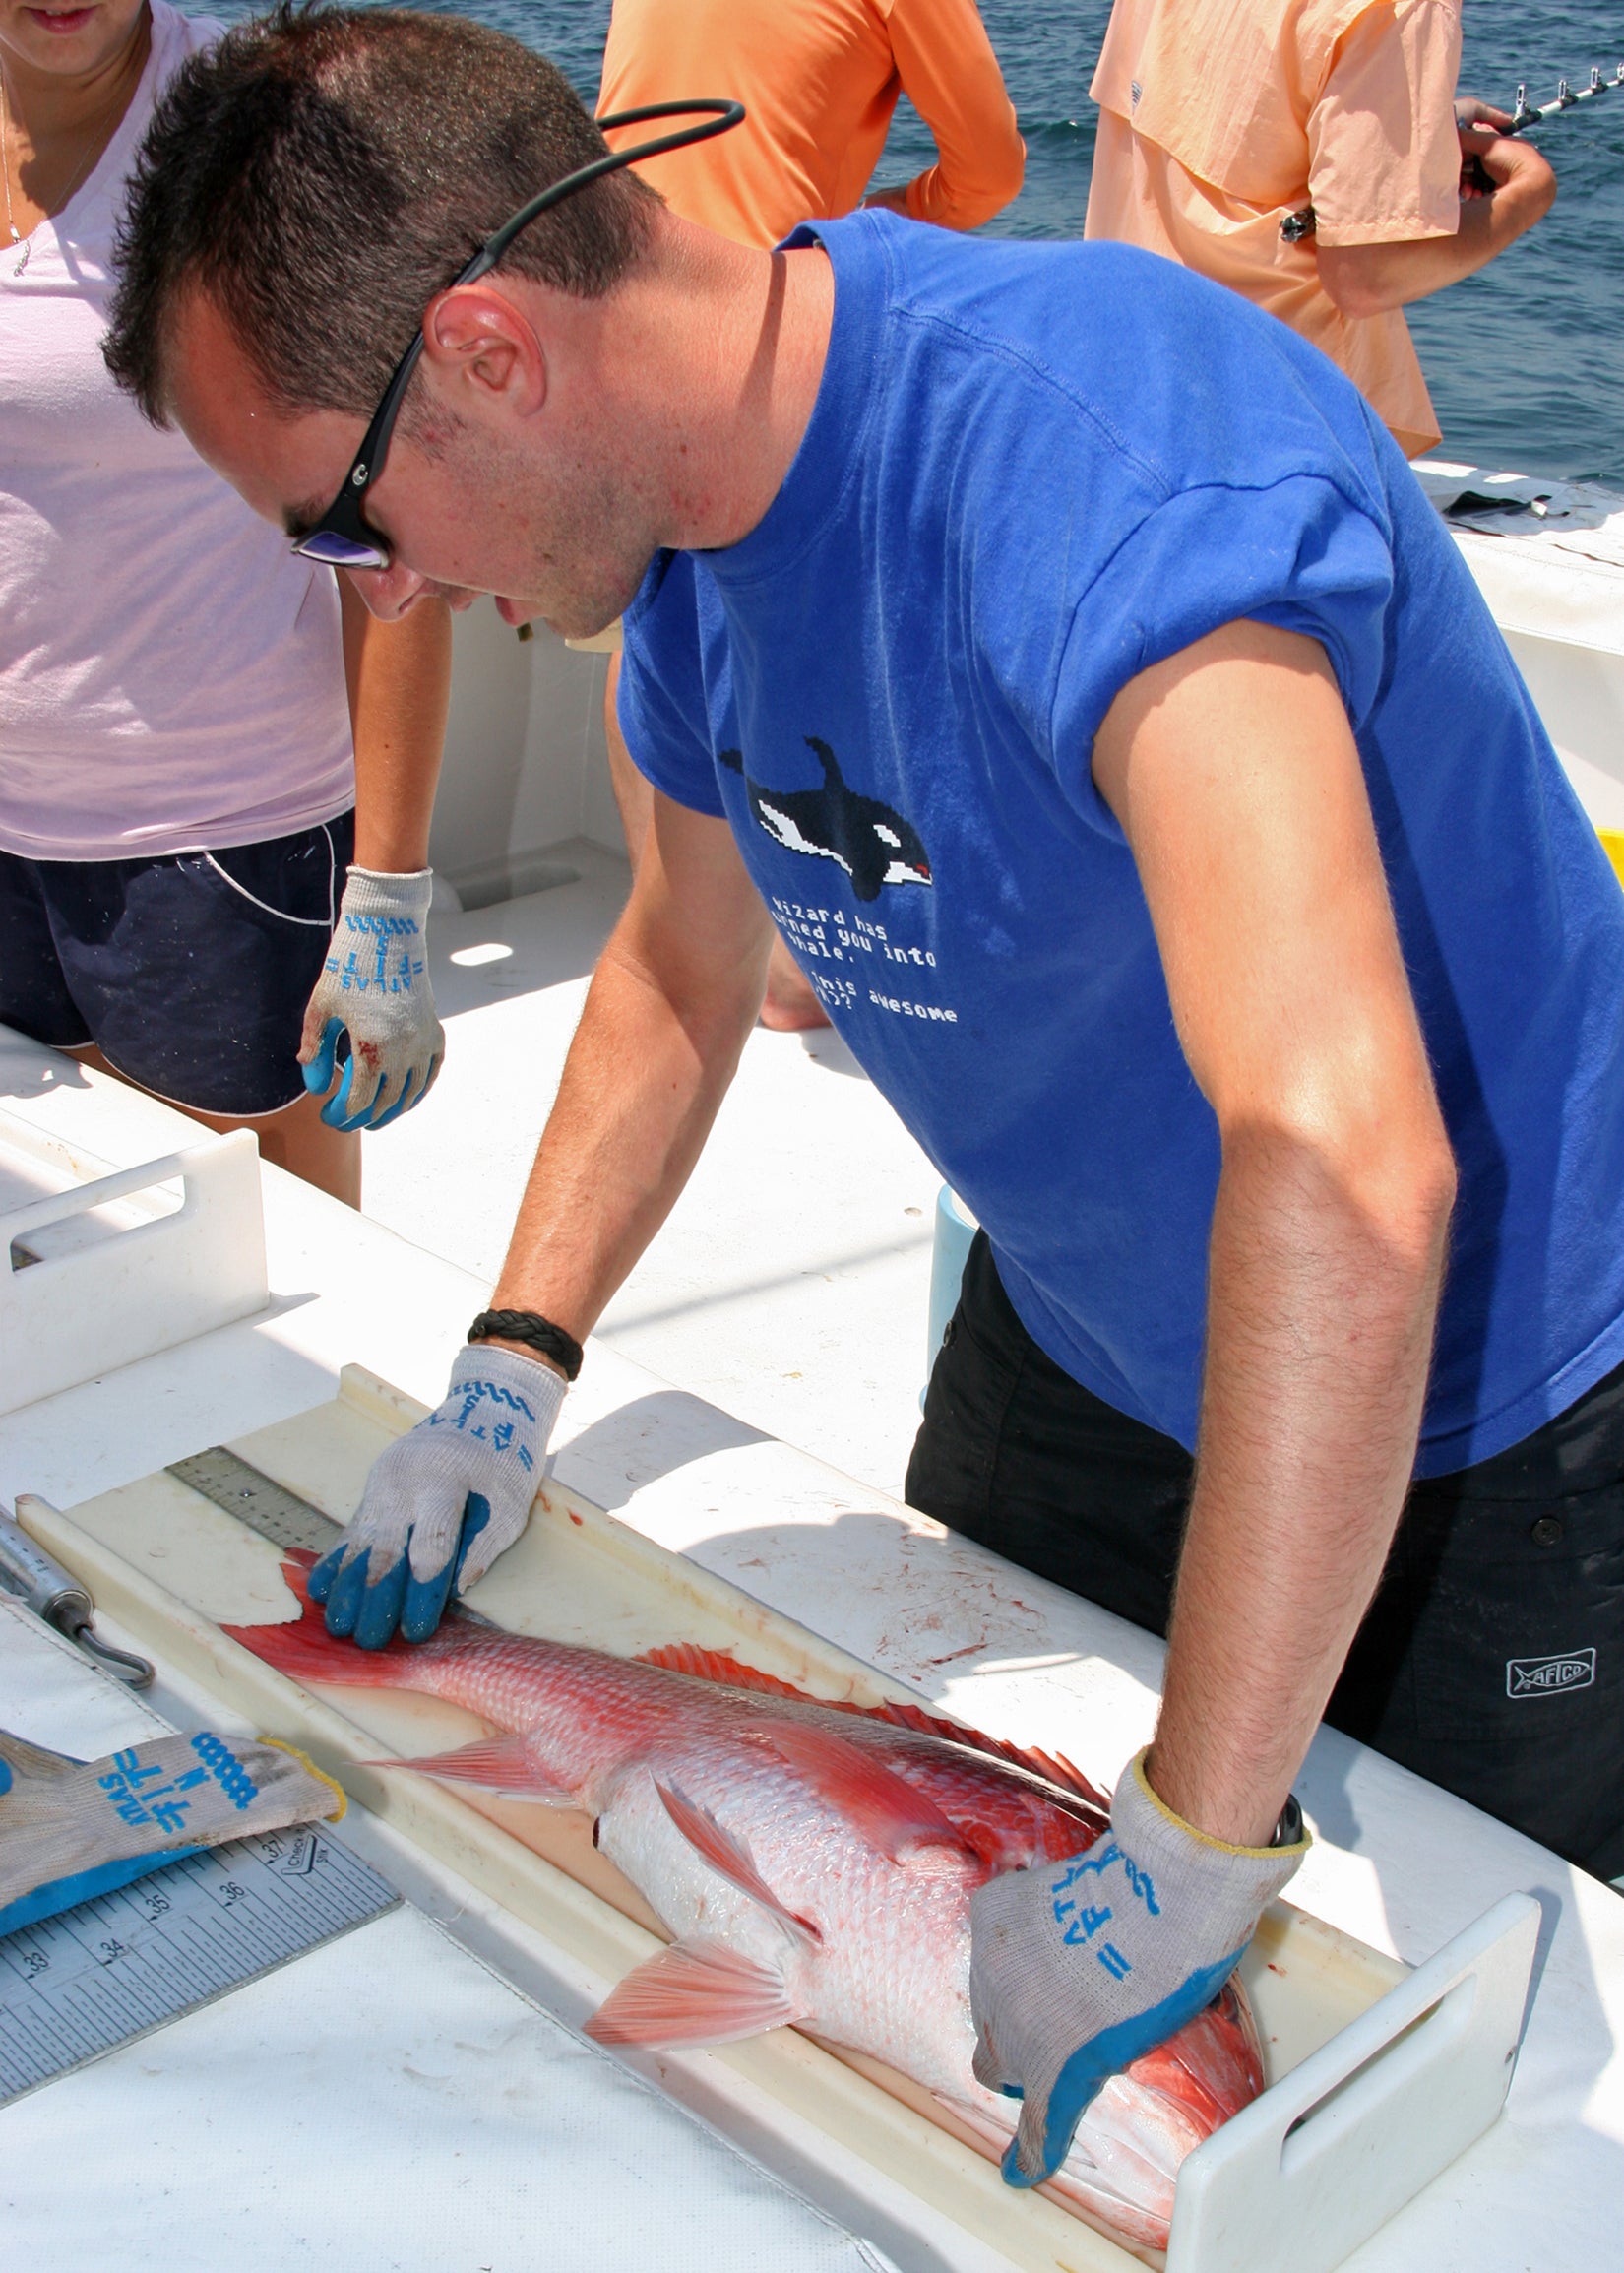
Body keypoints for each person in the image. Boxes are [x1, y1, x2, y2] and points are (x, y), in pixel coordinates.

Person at [108, 8, 1624, 2189]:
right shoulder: (683, 547)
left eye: (349, 516)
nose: (395, 591)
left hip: (1487, 1412)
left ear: (492, 353)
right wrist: (508, 1372)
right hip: (1086, 1336)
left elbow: (1350, 1158)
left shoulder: (1108, 453)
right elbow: (672, 968)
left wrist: (1192, 1847)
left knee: (1403, 2137)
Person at [0, 0, 451, 1207]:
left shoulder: (251, 133)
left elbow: (388, 529)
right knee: (72, 1243)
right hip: (7, 841)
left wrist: (388, 902)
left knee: (273, 1269)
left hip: (217, 844)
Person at [596, 0, 1025, 1027]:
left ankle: (669, 923)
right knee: (785, 629)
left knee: (653, 617)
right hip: (744, 328)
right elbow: (992, 171)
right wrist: (854, 234)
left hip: (602, 289)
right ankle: (791, 968)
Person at [1082, 0, 1557, 458]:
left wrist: (1406, 133)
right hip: (1275, 444)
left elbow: (1227, 94)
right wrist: (1526, 194)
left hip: (1116, 396)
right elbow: (1366, 275)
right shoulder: (1399, 8)